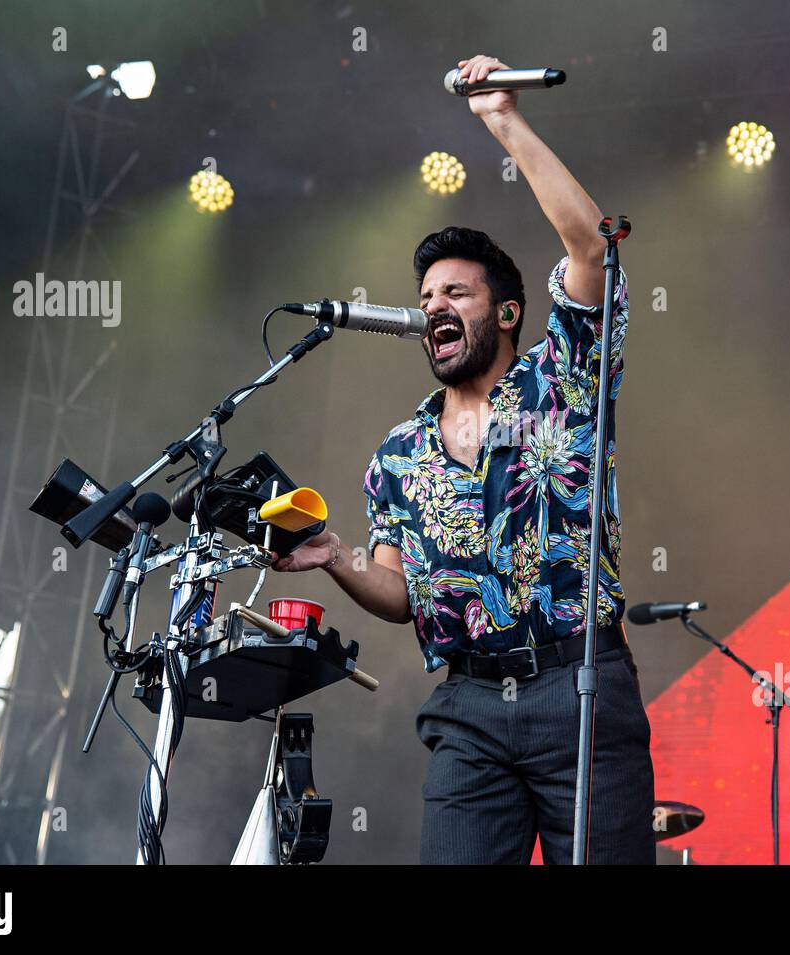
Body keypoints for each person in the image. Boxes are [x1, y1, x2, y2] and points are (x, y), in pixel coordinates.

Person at [274, 53, 654, 864]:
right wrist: (335, 556)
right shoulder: (398, 453)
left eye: (455, 293)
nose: (432, 307)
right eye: (424, 299)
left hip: (579, 690)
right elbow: (401, 593)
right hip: (468, 709)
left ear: (507, 313)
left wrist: (502, 118)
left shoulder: (561, 379)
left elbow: (592, 249)